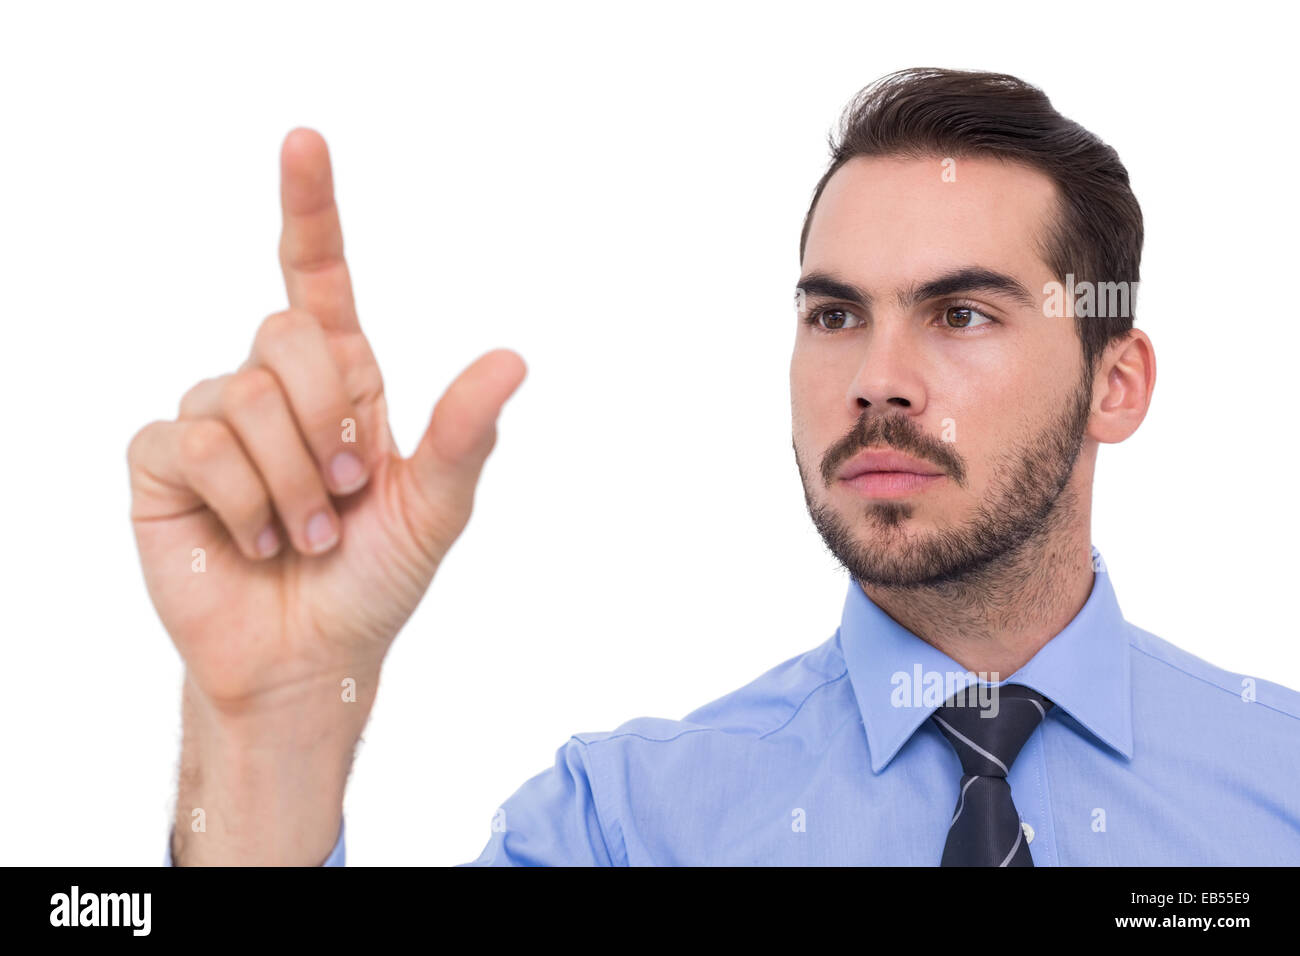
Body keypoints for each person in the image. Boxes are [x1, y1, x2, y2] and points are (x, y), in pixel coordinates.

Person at [130, 67, 1300, 866]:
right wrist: (261, 748)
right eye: (836, 316)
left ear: (1117, 381)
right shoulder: (624, 825)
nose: (877, 380)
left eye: (961, 312)